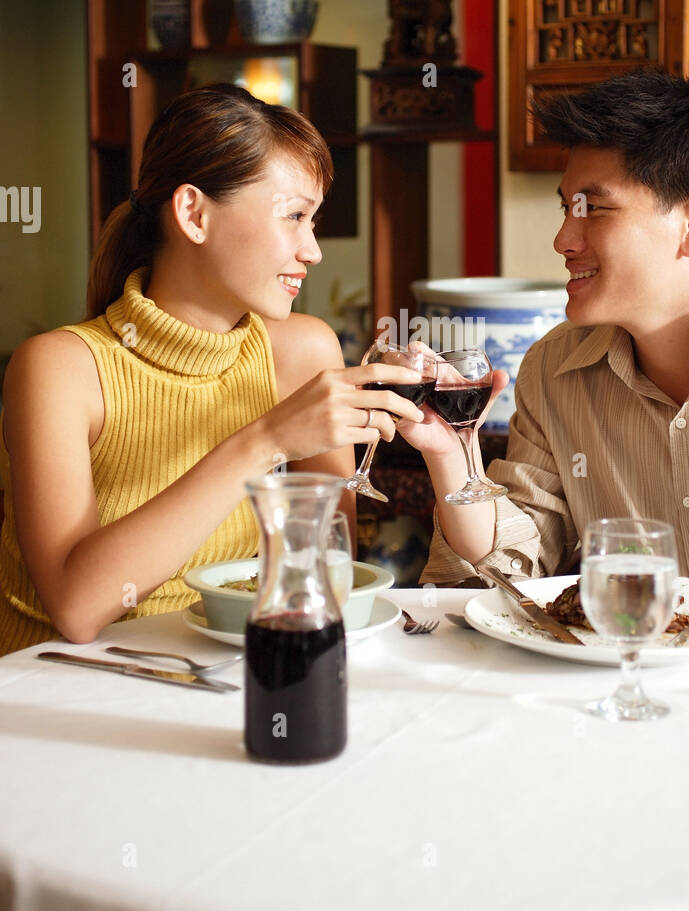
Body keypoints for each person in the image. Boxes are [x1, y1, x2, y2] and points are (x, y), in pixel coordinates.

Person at [401, 67, 689, 632]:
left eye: (594, 208)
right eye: (566, 205)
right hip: (623, 700)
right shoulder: (555, 368)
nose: (563, 240)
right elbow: (511, 578)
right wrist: (451, 455)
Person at [0, 84, 425, 655]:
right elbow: (78, 609)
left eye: (314, 222)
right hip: (68, 695)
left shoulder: (303, 353)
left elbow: (325, 571)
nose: (312, 250)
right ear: (193, 214)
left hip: (233, 670)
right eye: (294, 216)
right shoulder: (60, 368)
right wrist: (267, 439)